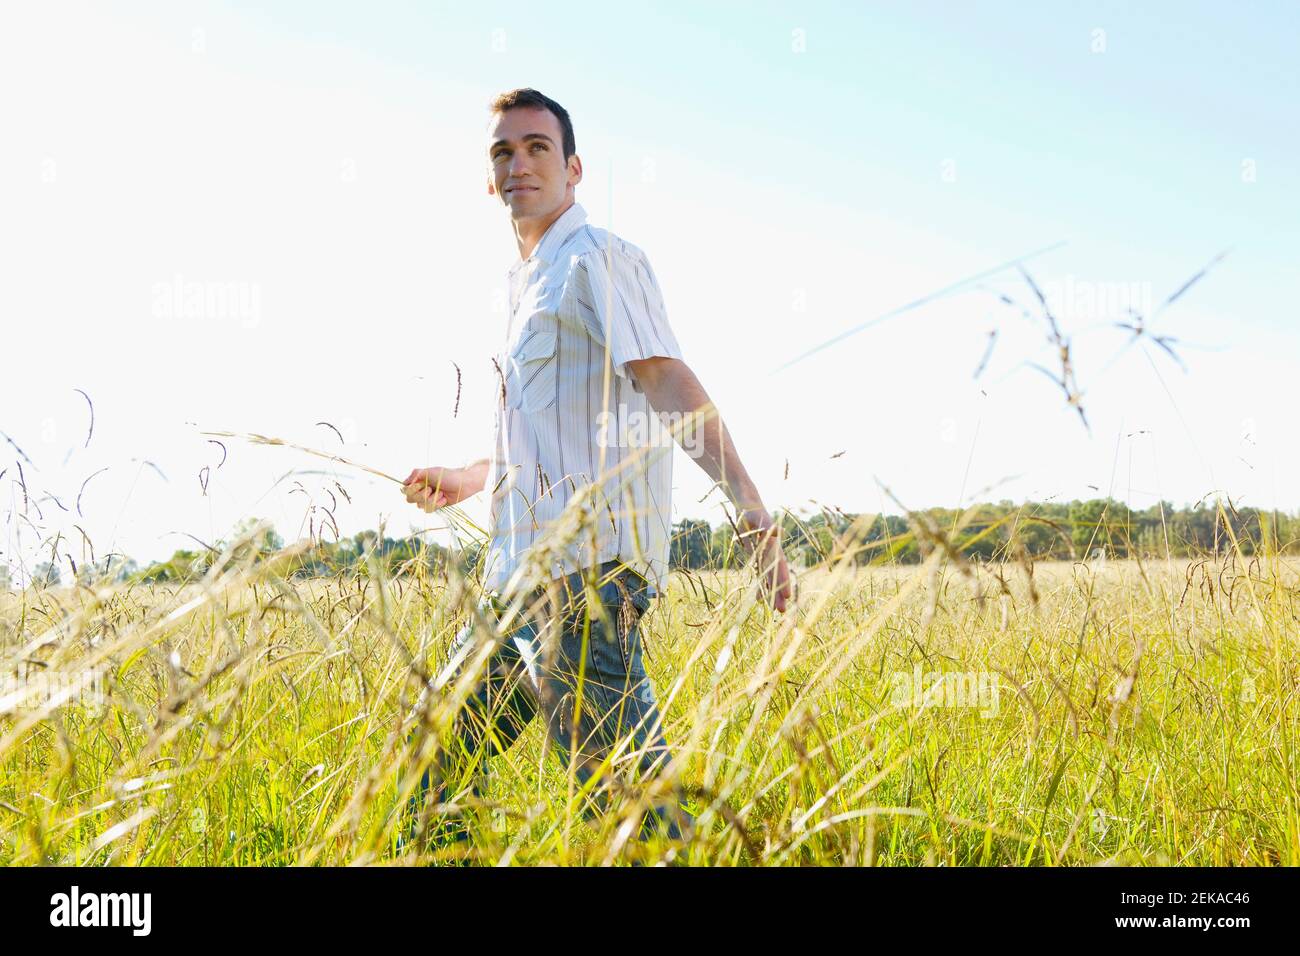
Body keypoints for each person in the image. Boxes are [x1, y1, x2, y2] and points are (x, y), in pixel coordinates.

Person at [399, 88, 795, 856]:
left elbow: (664, 380)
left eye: (537, 148)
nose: (520, 163)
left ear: (573, 168)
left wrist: (748, 505)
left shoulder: (595, 258)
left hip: (584, 581)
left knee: (632, 819)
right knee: (431, 768)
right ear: (490, 179)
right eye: (503, 152)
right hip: (513, 579)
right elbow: (558, 437)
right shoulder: (523, 289)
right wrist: (470, 476)